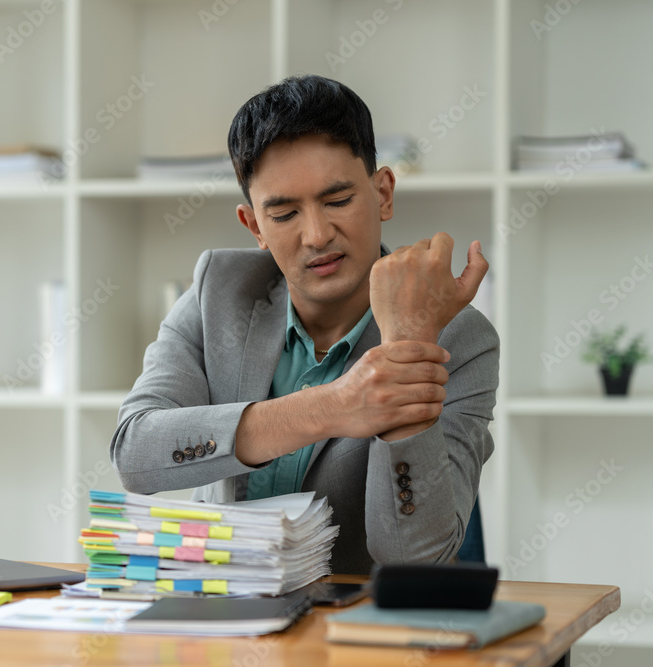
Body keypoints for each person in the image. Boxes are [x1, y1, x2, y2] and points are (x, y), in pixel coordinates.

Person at [109, 75, 499, 575]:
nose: (317, 235)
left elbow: (416, 559)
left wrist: (406, 345)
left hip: (349, 637)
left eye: (338, 201)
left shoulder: (460, 340)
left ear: (382, 194)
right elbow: (136, 453)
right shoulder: (220, 290)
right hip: (221, 619)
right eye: (286, 212)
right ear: (254, 226)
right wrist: (334, 406)